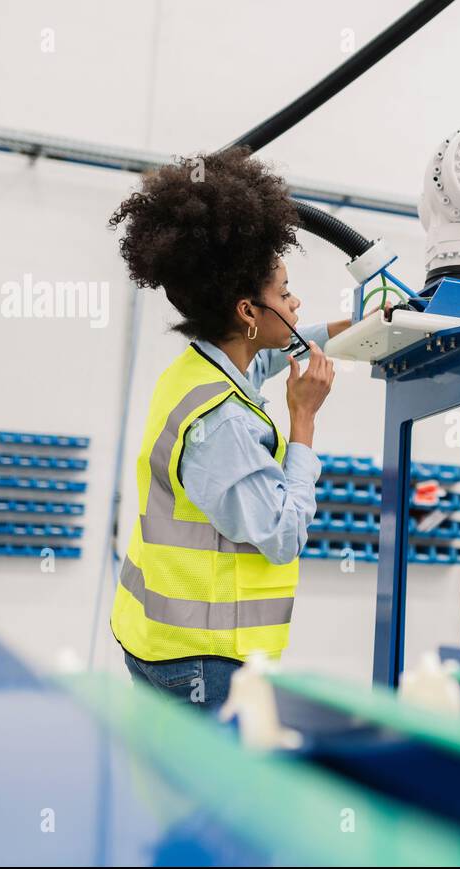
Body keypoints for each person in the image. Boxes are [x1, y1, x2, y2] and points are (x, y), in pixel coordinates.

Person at [106, 148, 346, 711]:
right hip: (203, 659)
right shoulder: (226, 422)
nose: (296, 300)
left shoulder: (199, 368)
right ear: (247, 312)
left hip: (156, 638)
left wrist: (357, 324)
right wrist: (304, 421)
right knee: (214, 800)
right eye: (284, 292)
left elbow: (266, 356)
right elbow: (282, 535)